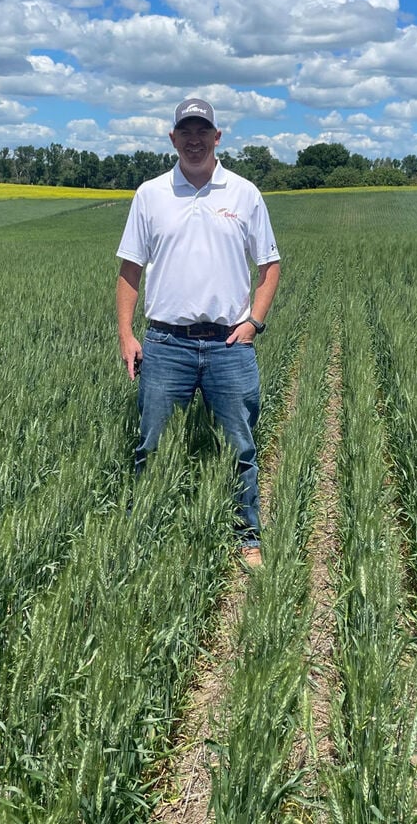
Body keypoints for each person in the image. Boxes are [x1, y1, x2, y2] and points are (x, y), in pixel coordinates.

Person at [116, 98, 281, 567]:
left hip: (230, 344)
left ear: (217, 137)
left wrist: (253, 323)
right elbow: (130, 269)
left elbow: (269, 266)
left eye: (201, 131)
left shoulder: (244, 193)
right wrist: (127, 335)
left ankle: (247, 537)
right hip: (166, 344)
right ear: (172, 138)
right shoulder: (150, 194)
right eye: (185, 131)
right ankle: (147, 531)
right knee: (153, 443)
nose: (193, 139)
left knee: (240, 446)